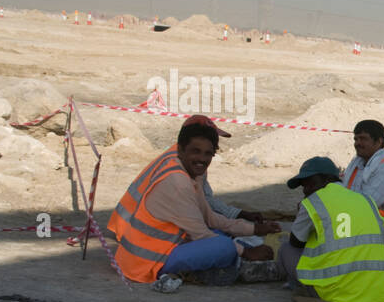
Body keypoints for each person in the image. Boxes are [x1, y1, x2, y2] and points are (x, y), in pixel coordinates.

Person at [107, 119, 280, 286]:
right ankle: (231, 269)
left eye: (207, 154)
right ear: (180, 150)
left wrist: (256, 228)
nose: (202, 159)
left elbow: (210, 218)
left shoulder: (186, 171)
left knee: (221, 235)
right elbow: (201, 233)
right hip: (146, 263)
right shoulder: (178, 182)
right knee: (225, 247)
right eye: (195, 151)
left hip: (150, 252)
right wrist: (248, 253)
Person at [274, 156, 384, 302]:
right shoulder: (366, 200)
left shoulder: (313, 202)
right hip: (374, 287)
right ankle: (381, 287)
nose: (306, 189)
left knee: (286, 249)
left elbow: (296, 243)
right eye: (304, 186)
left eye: (310, 183)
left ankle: (301, 285)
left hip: (332, 289)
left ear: (326, 179)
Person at [182, 115, 272, 262]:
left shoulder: (196, 168)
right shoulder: (177, 177)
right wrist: (245, 252)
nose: (215, 144)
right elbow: (199, 231)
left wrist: (241, 215)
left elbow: (208, 204)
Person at [341, 119, 384, 223]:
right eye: (356, 139)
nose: (357, 143)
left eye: (363, 139)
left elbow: (366, 203)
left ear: (379, 141)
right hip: (366, 222)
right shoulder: (357, 162)